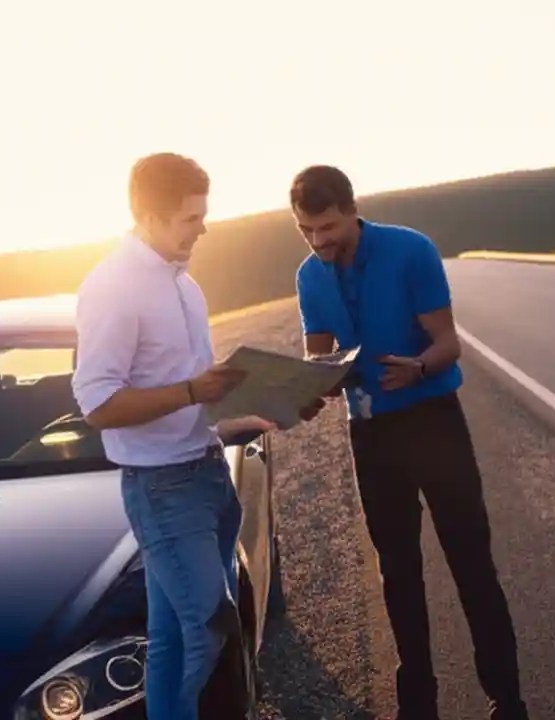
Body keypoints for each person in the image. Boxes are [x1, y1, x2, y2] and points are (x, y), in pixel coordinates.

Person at [289, 165, 531, 720]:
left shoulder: (410, 250)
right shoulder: (309, 276)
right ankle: (418, 705)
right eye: (306, 230)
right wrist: (308, 389)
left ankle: (507, 699)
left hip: (433, 420)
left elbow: (449, 343)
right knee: (397, 572)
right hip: (371, 433)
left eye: (327, 227)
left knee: (471, 562)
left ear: (352, 209)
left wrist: (419, 367)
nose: (319, 241)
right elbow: (319, 358)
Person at [71, 152, 277, 720]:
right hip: (162, 491)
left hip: (208, 474)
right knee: (210, 632)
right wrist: (192, 391)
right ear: (151, 216)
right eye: (191, 218)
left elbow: (197, 395)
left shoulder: (185, 287)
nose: (204, 228)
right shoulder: (113, 286)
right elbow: (97, 404)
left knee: (174, 642)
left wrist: (259, 408)